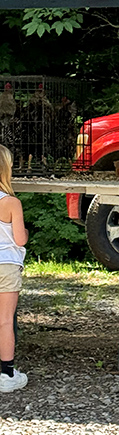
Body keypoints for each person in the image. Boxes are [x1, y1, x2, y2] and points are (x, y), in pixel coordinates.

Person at [0, 145, 28, 392]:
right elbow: (20, 239)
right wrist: (26, 232)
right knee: (5, 321)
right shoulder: (11, 203)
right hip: (7, 265)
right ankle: (6, 374)